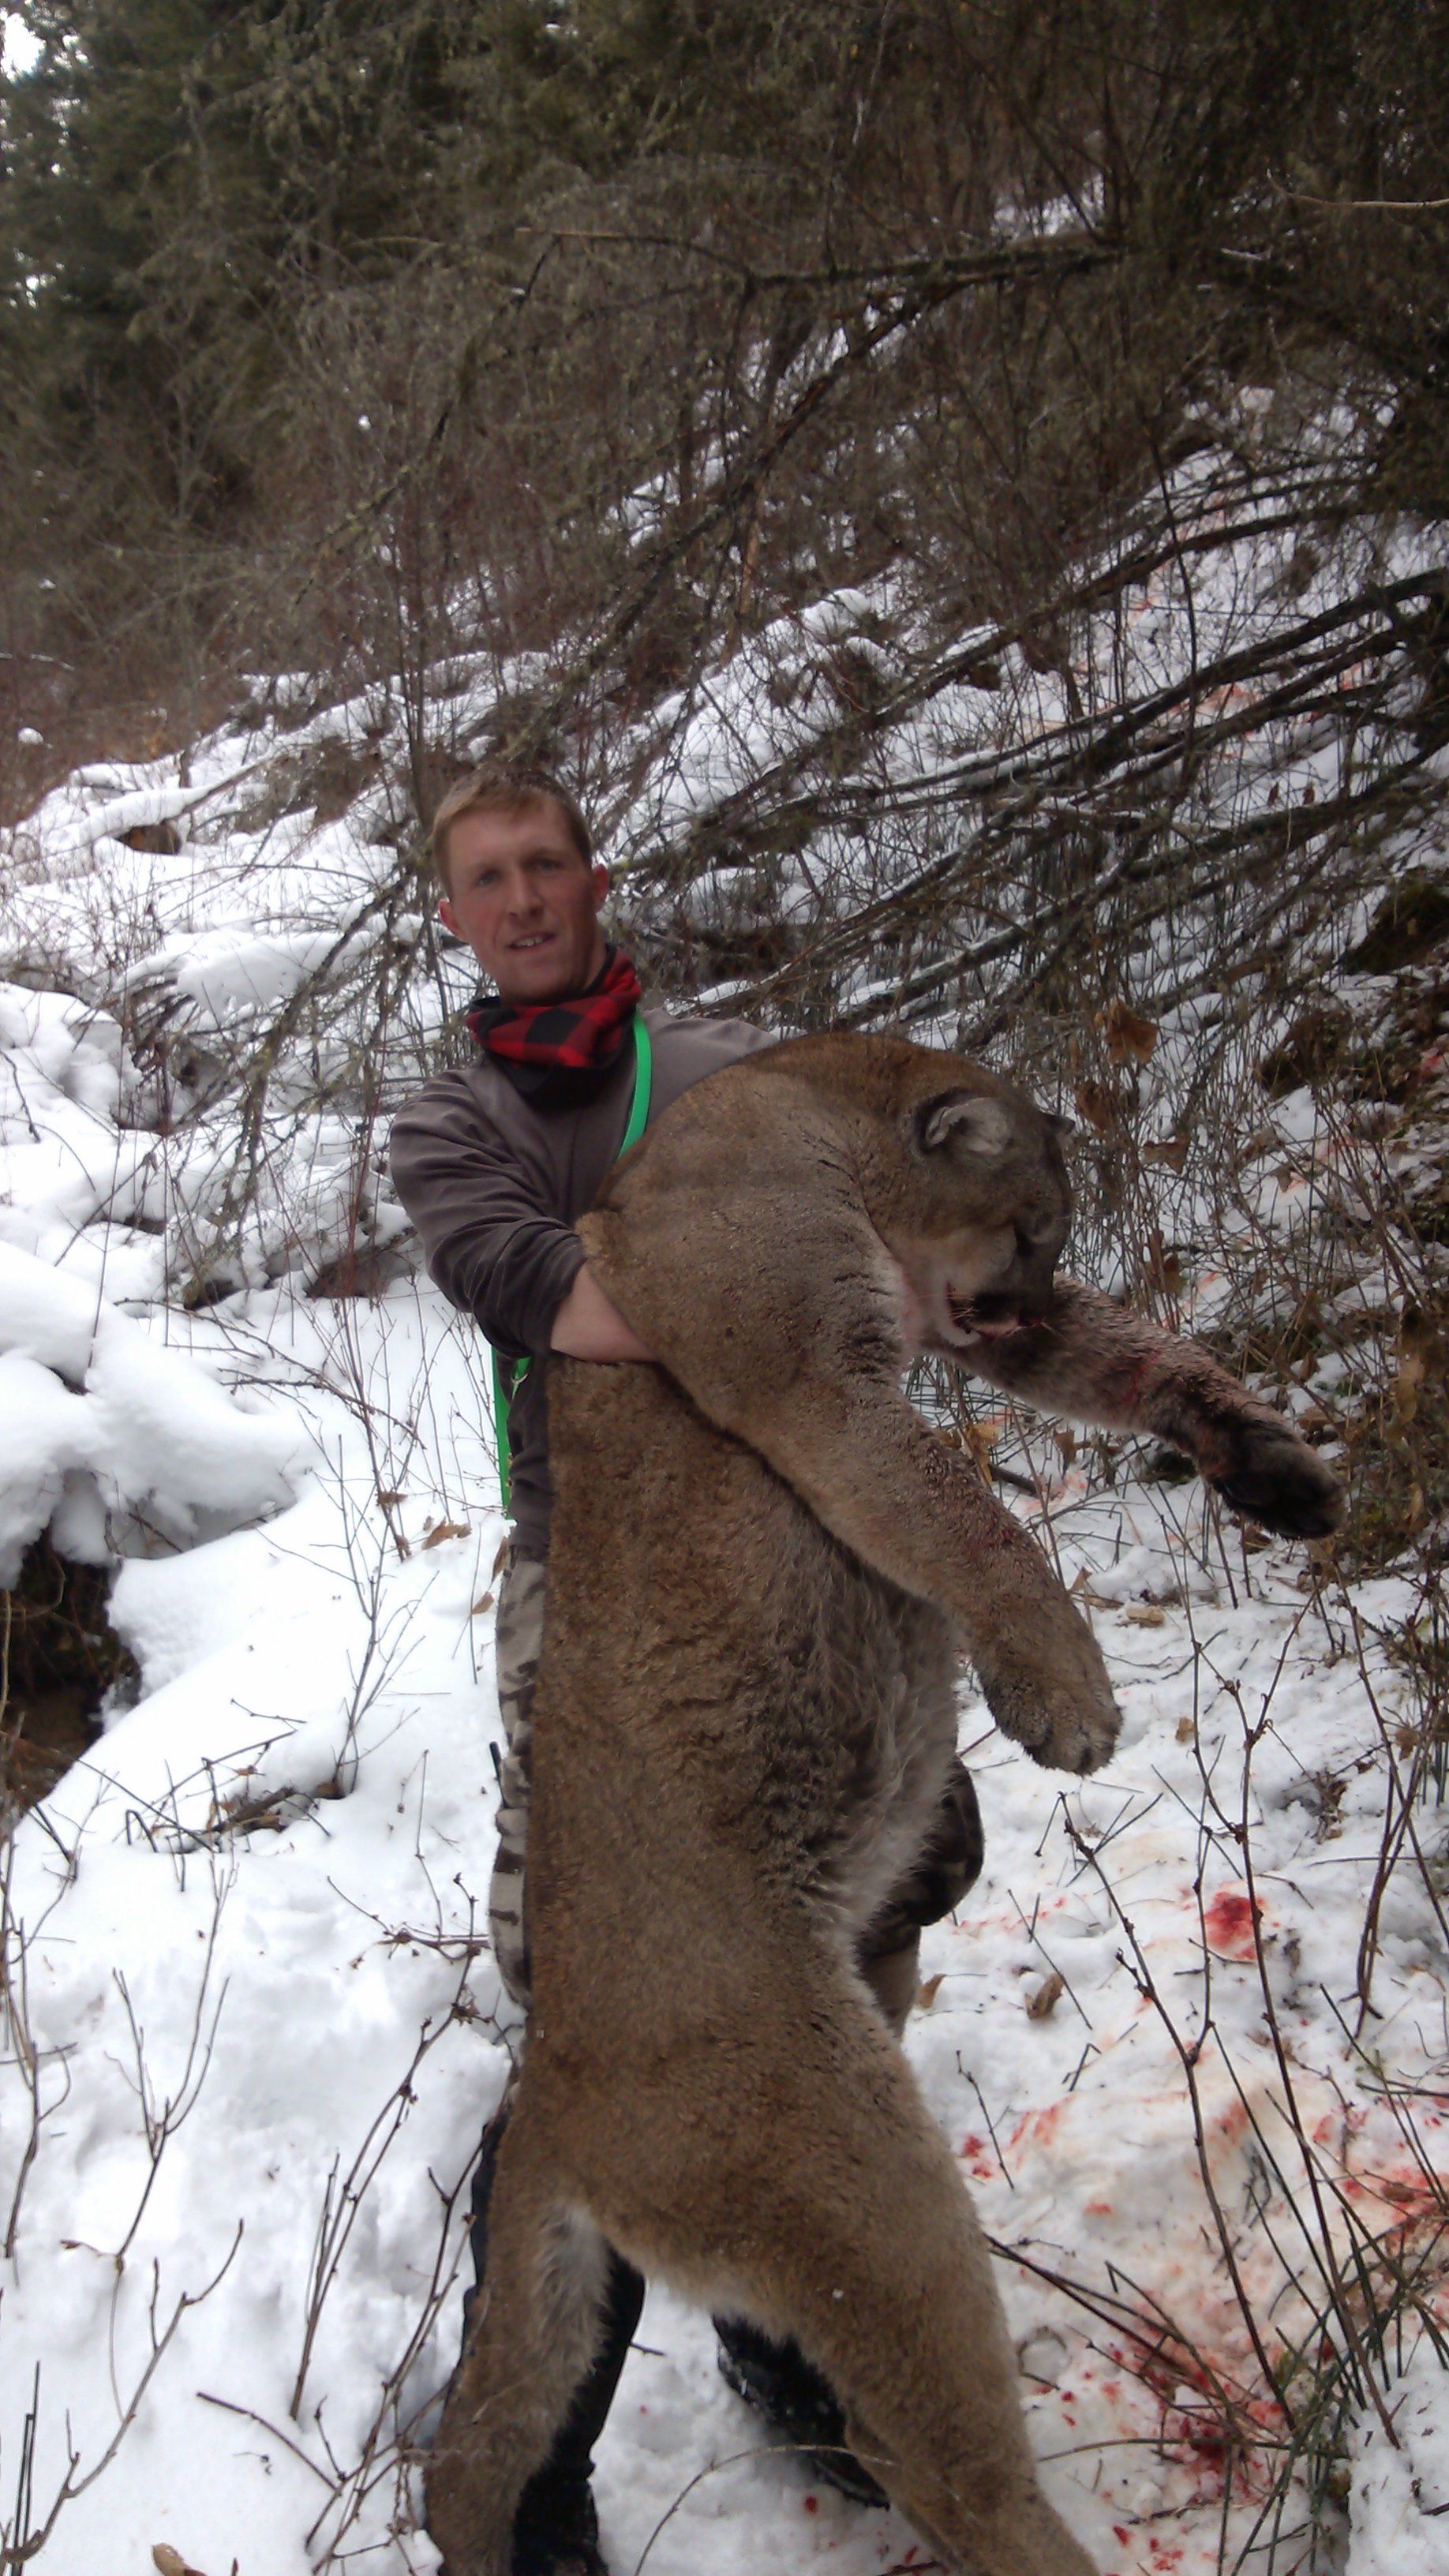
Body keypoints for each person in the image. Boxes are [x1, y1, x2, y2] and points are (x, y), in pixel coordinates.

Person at [388, 763, 984, 2576]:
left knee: (846, 1952)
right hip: (592, 1586)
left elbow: (889, 1289)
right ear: (452, 915)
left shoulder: (731, 1070)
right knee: (601, 2006)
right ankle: (537, 2457)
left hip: (799, 1555)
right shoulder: (452, 1118)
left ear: (593, 874)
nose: (519, 898)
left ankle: (790, 2339)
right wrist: (762, 1274)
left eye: (542, 862)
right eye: (484, 877)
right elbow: (566, 1300)